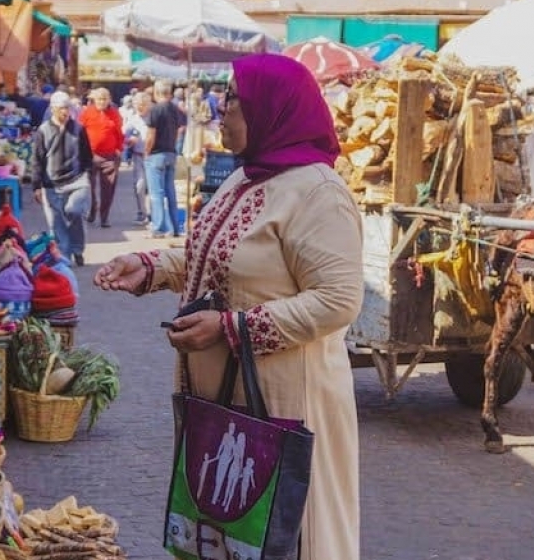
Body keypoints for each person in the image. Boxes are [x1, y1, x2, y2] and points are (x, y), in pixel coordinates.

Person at [94, 53, 364, 560]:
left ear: (271, 108)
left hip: (283, 402)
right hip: (225, 399)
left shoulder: (317, 193)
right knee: (229, 533)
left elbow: (338, 300)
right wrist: (150, 267)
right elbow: (223, 260)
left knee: (282, 534)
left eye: (234, 98)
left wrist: (231, 328)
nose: (221, 108)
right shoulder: (247, 179)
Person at [32, 91, 94, 267]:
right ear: (52, 109)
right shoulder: (43, 131)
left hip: (77, 180)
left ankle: (78, 248)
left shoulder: (78, 129)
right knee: (57, 221)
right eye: (61, 109)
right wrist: (36, 185)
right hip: (52, 182)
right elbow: (37, 159)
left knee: (74, 211)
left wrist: (87, 173)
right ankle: (65, 255)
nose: (65, 112)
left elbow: (87, 155)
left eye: (67, 108)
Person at [144, 80, 186, 239]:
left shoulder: (155, 110)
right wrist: (173, 146)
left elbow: (150, 135)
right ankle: (174, 227)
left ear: (156, 92)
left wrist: (147, 152)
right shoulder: (175, 109)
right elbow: (179, 130)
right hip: (170, 152)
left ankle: (160, 227)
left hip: (156, 154)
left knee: (156, 193)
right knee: (171, 192)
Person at [77, 87, 124, 227]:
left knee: (108, 188)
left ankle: (104, 217)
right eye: (99, 99)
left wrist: (119, 149)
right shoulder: (87, 113)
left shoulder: (114, 114)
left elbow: (119, 134)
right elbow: (80, 132)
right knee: (88, 186)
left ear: (109, 100)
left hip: (109, 157)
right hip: (90, 155)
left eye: (105, 99)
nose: (102, 102)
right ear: (94, 100)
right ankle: (92, 208)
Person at [124, 91, 152, 224]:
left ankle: (153, 214)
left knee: (153, 188)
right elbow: (123, 133)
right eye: (137, 104)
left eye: (143, 104)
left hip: (153, 156)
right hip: (138, 156)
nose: (140, 107)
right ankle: (142, 212)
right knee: (140, 186)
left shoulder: (153, 117)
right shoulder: (133, 118)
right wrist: (129, 140)